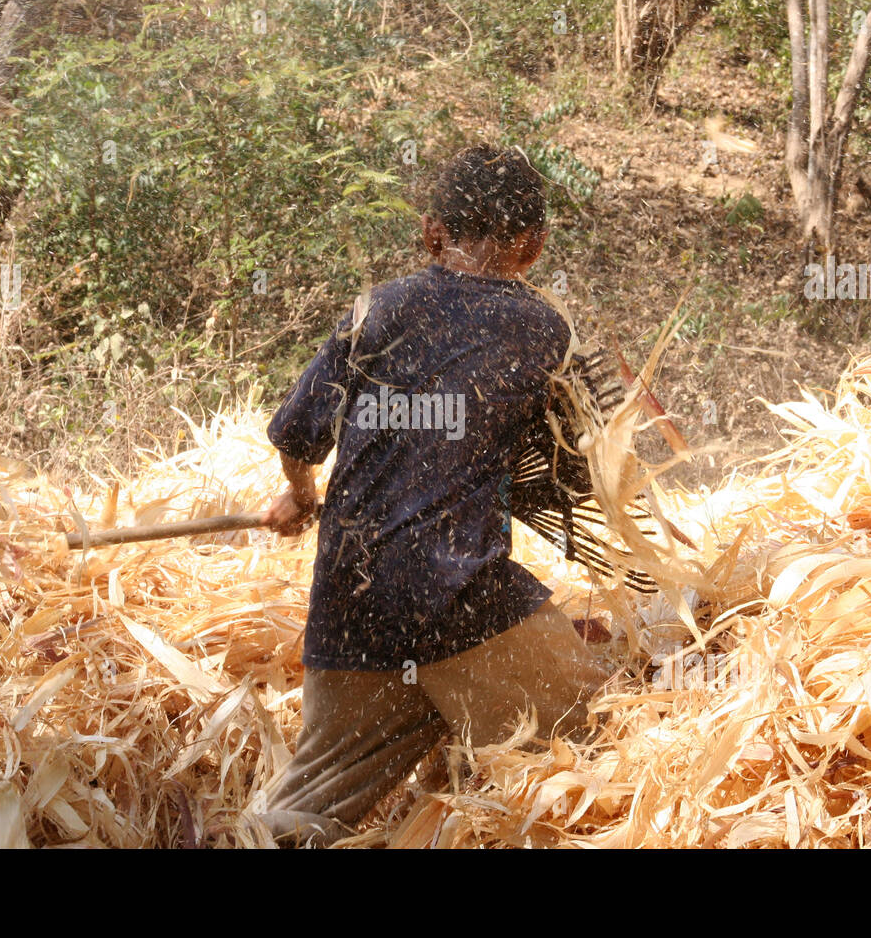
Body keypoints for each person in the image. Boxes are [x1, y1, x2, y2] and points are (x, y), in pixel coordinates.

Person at [252, 143, 607, 846]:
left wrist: (300, 490)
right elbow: (578, 473)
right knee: (602, 746)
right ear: (532, 246)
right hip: (467, 604)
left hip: (351, 611)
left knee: (295, 821)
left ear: (431, 234)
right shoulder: (542, 329)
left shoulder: (375, 312)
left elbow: (297, 435)